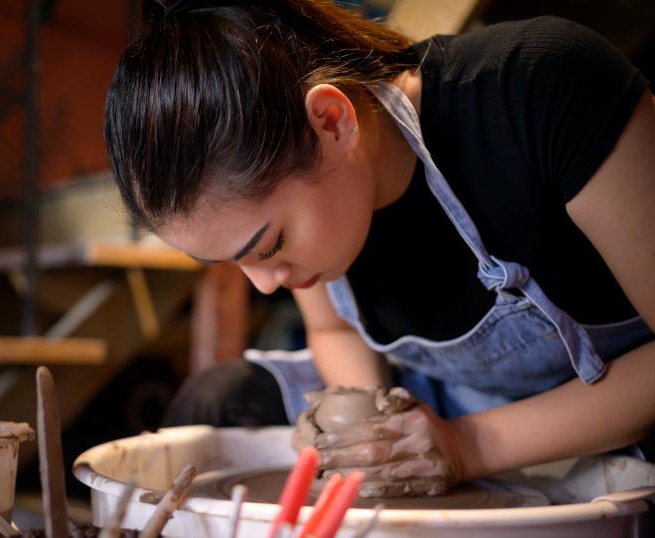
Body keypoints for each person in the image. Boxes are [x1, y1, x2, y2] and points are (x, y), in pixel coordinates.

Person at [103, 0, 655, 496]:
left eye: (268, 246)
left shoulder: (540, 86)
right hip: (446, 403)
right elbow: (332, 329)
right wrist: (370, 438)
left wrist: (467, 448)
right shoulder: (321, 216)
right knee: (216, 403)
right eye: (230, 263)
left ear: (331, 121)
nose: (264, 284)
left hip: (607, 407)